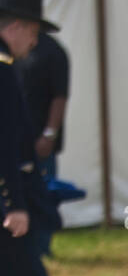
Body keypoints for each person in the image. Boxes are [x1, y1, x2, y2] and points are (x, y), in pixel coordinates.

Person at [0, 0, 85, 276]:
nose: (34, 44)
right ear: (14, 27)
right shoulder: (1, 69)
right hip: (5, 218)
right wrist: (13, 204)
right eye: (32, 34)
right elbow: (6, 143)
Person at [14, 28, 70, 256]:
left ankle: (41, 248)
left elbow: (60, 95)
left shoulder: (52, 51)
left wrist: (49, 134)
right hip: (14, 141)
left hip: (39, 140)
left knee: (42, 194)